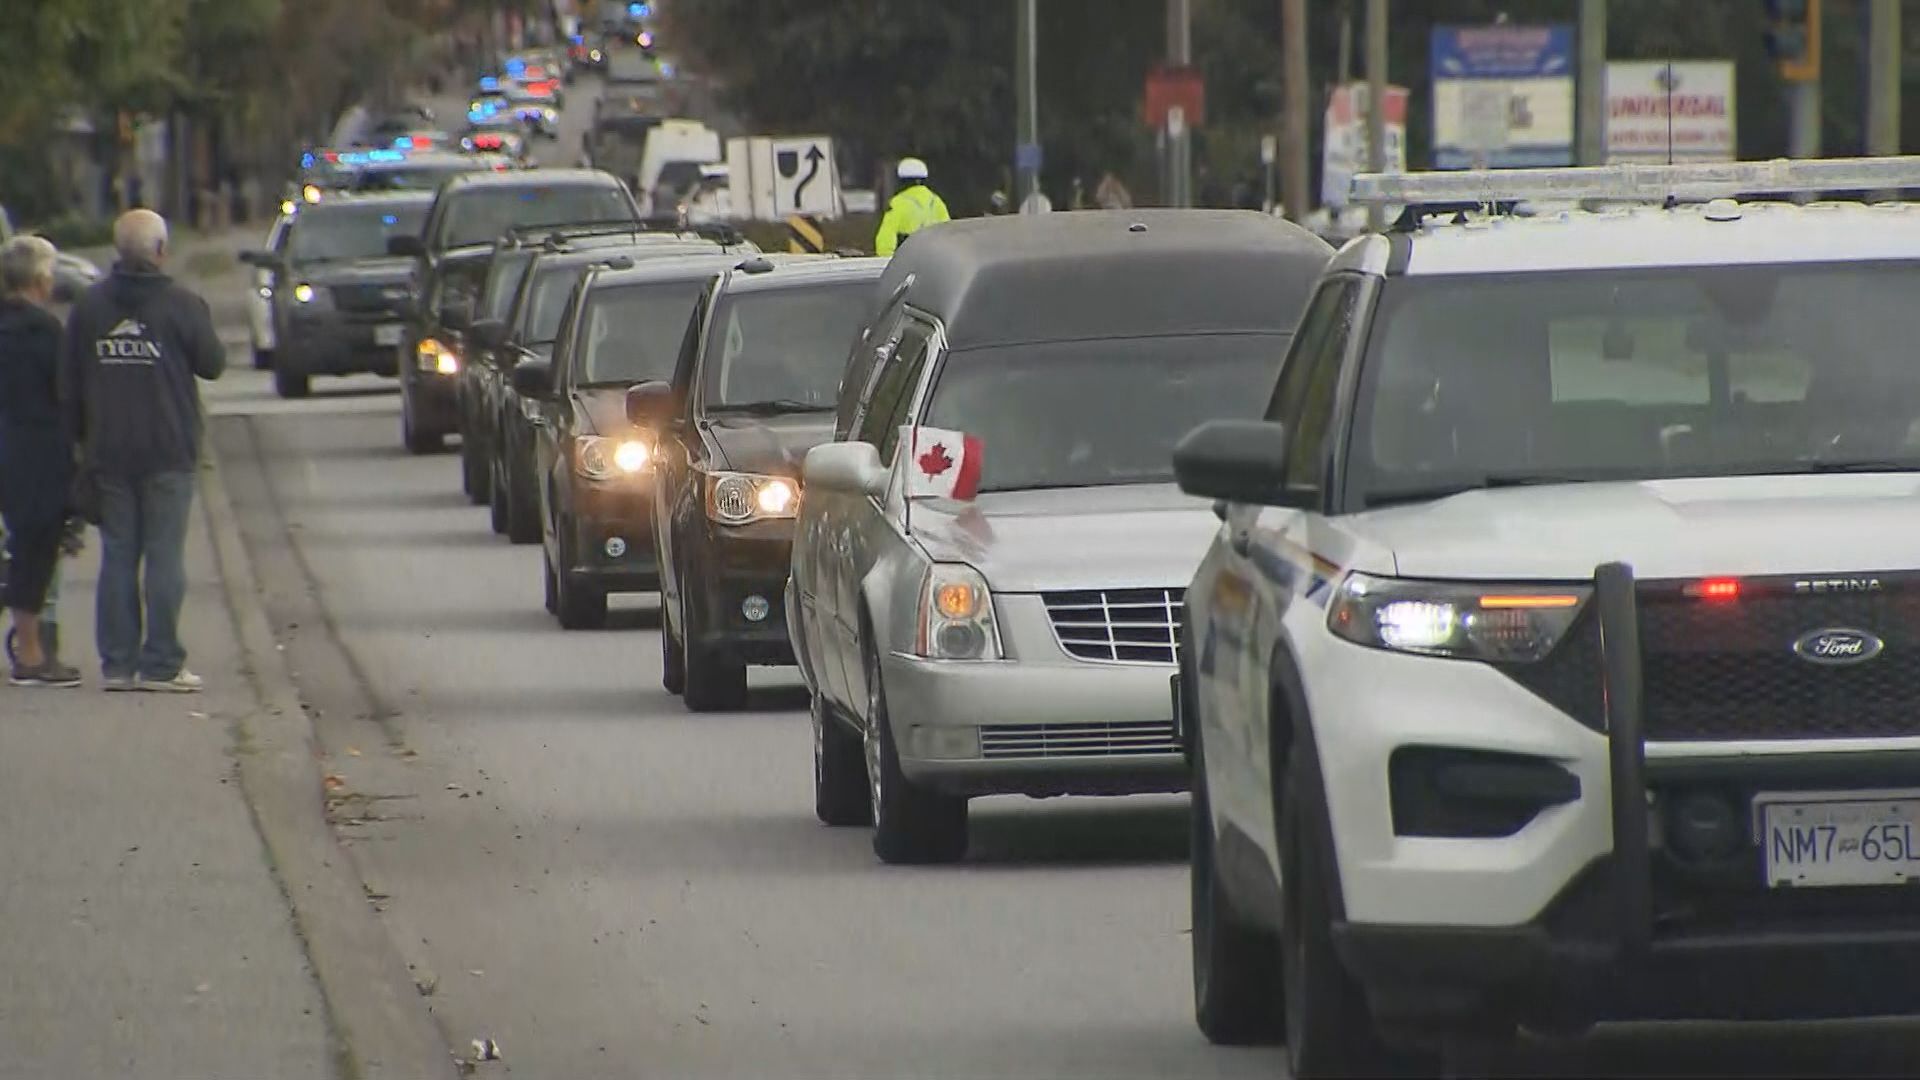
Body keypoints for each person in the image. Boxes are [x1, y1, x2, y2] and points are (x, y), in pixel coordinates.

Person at [64, 209, 226, 692]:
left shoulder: (89, 307)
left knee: (118, 553)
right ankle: (161, 662)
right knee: (163, 556)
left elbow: (68, 381)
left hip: (108, 449)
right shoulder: (182, 304)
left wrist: (79, 444)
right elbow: (213, 363)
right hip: (168, 447)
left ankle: (118, 663)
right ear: (160, 251)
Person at [0, 236, 80, 686]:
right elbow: (64, 393)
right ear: (41, 280)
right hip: (35, 453)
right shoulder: (46, 332)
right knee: (33, 552)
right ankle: (30, 654)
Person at [873, 157, 950, 256]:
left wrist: (885, 258)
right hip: (934, 258)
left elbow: (886, 236)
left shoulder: (898, 202)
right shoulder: (937, 201)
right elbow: (948, 233)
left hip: (908, 258)